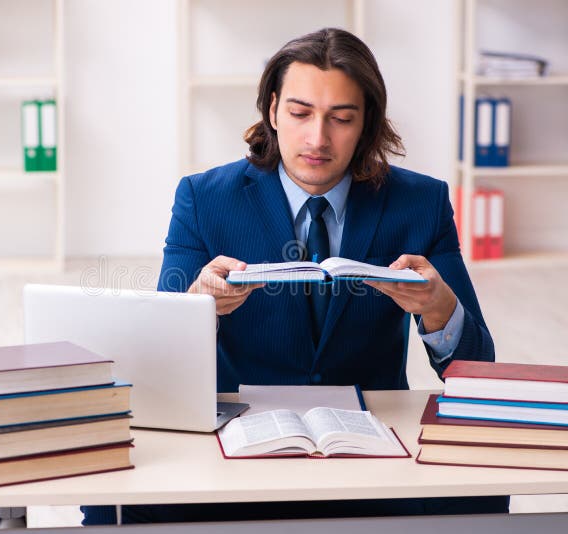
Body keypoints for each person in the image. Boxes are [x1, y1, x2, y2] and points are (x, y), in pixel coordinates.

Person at [82, 27, 508, 526]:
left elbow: (480, 375)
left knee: (481, 496)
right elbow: (158, 365)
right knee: (117, 502)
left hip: (366, 443)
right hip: (238, 444)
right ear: (272, 109)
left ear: (366, 122)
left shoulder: (421, 203)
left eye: (341, 119)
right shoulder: (204, 198)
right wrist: (198, 303)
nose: (317, 139)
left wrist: (440, 309)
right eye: (300, 114)